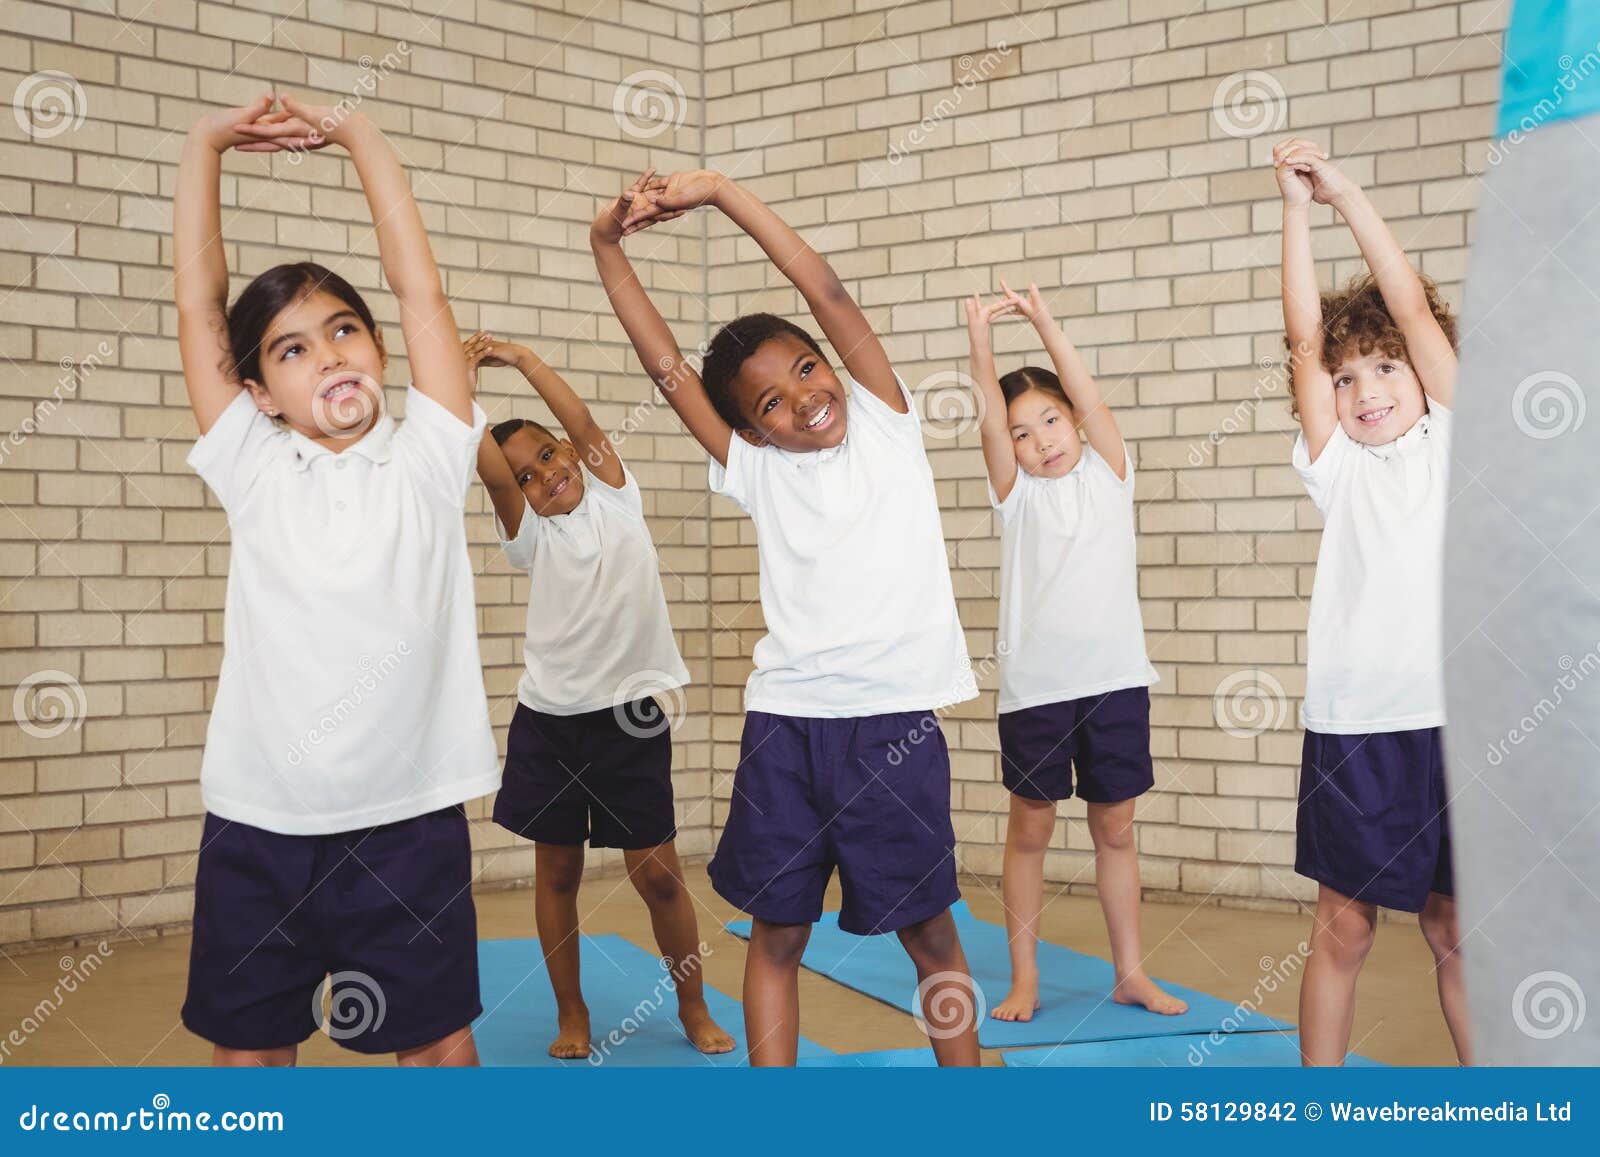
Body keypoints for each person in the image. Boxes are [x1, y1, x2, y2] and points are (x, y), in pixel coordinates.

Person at [591, 168, 981, 1066]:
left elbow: (825, 288)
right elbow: (665, 367)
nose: (803, 398)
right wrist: (606, 246)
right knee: (776, 938)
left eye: (807, 368)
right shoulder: (755, 468)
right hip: (788, 728)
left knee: (930, 939)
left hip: (891, 728)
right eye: (771, 401)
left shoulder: (885, 419)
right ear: (753, 431)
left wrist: (722, 194)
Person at [173, 95, 497, 1065]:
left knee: (438, 1047)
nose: (330, 355)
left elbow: (423, 292)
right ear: (257, 393)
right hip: (260, 823)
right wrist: (205, 145)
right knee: (251, 1051)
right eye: (292, 348)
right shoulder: (254, 463)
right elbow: (196, 303)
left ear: (380, 348)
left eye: (344, 328)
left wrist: (360, 135)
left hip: (408, 822)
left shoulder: (429, 455)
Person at [465, 323, 733, 1060]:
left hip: (631, 719)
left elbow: (580, 419)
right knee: (558, 873)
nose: (544, 473)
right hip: (551, 724)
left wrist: (523, 353)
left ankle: (693, 1003)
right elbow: (488, 466)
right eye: (527, 473)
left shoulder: (615, 495)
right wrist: (462, 391)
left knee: (662, 879)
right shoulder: (530, 535)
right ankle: (573, 1012)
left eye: (548, 454)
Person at [1273, 137, 1468, 1065]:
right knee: (1343, 930)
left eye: (1386, 367)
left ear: (1424, 373)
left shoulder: (1457, 437)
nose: (1364, 389)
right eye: (1346, 379)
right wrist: (1294, 214)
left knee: (1460, 933)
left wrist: (1345, 195)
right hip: (1356, 727)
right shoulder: (1336, 468)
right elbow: (1303, 336)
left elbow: (1405, 304)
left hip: (1463, 727)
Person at [962, 280, 1184, 1024]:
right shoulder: (1014, 492)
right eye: (1024, 432)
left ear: (1077, 423)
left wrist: (1046, 322)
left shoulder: (1109, 473)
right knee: (1031, 829)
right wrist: (981, 341)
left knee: (1115, 829)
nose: (1040, 440)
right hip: (1037, 691)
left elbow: (1086, 392)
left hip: (1116, 682)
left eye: (1051, 420)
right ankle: (1023, 979)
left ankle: (1130, 972)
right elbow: (990, 420)